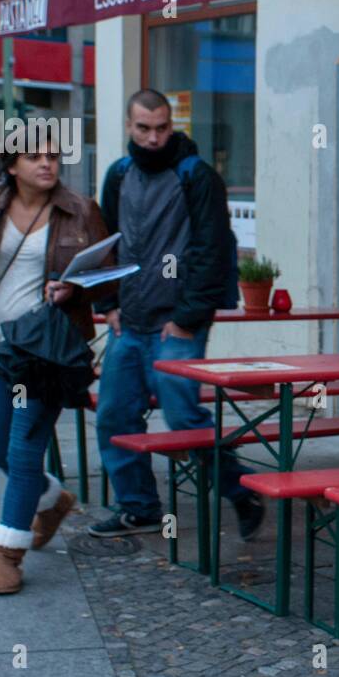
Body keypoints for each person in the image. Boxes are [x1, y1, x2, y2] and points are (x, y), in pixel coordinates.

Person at [88, 89, 264, 539]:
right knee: (113, 414)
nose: (152, 137)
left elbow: (212, 249)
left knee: (183, 416)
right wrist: (107, 306)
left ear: (172, 124)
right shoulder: (118, 175)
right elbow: (103, 245)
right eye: (143, 128)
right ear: (129, 126)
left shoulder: (196, 175)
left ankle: (241, 491)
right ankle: (140, 508)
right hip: (129, 321)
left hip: (177, 323)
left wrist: (186, 316)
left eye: (161, 128)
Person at [0, 142, 110, 594]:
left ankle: (7, 555)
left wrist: (74, 291)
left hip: (43, 354)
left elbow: (108, 277)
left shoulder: (80, 210)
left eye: (53, 156)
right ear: (10, 166)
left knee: (24, 453)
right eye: (34, 157)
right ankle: (53, 499)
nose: (47, 164)